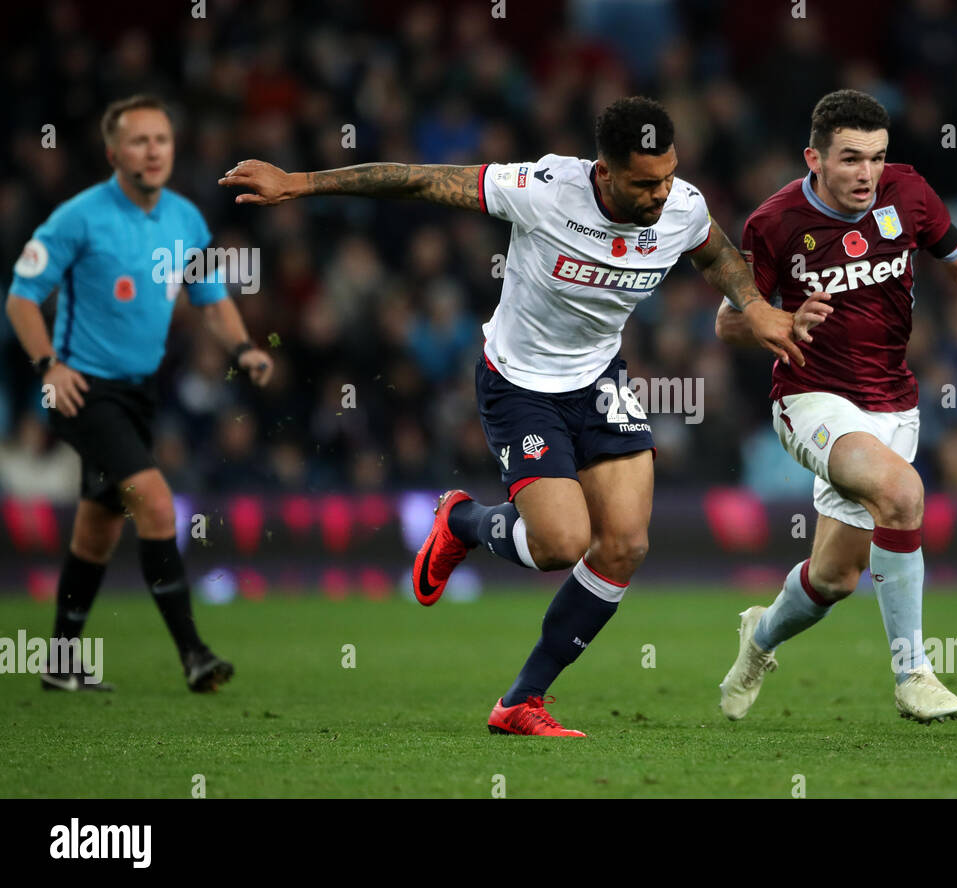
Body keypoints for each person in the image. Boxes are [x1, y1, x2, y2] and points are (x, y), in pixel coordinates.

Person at [220, 96, 801, 736]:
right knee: (560, 544)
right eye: (645, 182)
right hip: (520, 385)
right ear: (603, 172)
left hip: (601, 380)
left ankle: (522, 700)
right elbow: (419, 180)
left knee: (626, 545)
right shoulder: (543, 188)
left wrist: (754, 303)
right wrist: (300, 183)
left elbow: (714, 251)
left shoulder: (682, 206)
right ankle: (463, 520)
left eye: (668, 175)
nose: (662, 193)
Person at [714, 90, 957, 723]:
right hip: (810, 398)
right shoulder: (774, 223)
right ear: (814, 158)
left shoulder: (909, 193)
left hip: (893, 404)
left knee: (834, 578)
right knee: (902, 493)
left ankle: (757, 640)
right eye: (849, 159)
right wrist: (779, 319)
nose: (866, 173)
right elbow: (729, 325)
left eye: (876, 157)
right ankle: (912, 673)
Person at [6, 95, 273, 692]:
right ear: (112, 152)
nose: (153, 151)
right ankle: (195, 655)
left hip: (136, 393)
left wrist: (243, 349)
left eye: (162, 140)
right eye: (139, 141)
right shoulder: (77, 218)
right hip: (81, 390)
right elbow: (21, 297)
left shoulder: (184, 220)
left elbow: (209, 296)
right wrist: (49, 366)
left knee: (97, 529)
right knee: (153, 502)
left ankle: (60, 663)